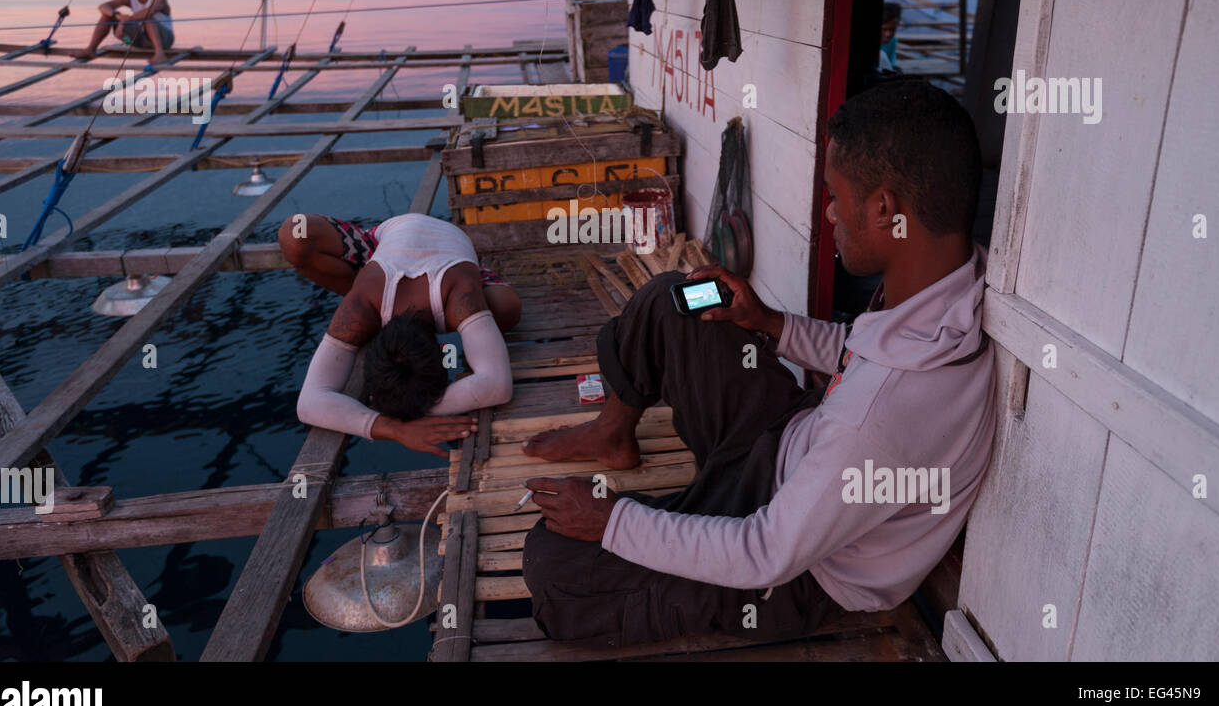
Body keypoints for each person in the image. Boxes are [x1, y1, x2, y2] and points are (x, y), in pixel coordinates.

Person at [518, 79, 997, 646]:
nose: (828, 213)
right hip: (792, 446)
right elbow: (862, 353)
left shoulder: (878, 419)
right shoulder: (948, 292)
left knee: (552, 566)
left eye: (835, 196)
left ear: (884, 209)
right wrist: (768, 323)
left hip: (795, 569)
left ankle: (662, 522)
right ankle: (612, 434)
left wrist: (612, 522)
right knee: (673, 302)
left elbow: (763, 553)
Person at [284, 212, 520, 457]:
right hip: (387, 241)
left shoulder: (460, 295)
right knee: (294, 234)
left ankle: (475, 272)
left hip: (451, 259)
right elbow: (307, 405)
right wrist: (394, 427)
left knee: (506, 309)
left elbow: (498, 386)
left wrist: (402, 417)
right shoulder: (360, 307)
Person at [75, 0, 175, 65]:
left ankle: (160, 54)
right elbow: (103, 6)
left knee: (147, 19)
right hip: (141, 39)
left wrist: (124, 22)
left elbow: (148, 12)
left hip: (164, 40)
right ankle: (91, 49)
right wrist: (117, 15)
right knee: (107, 15)